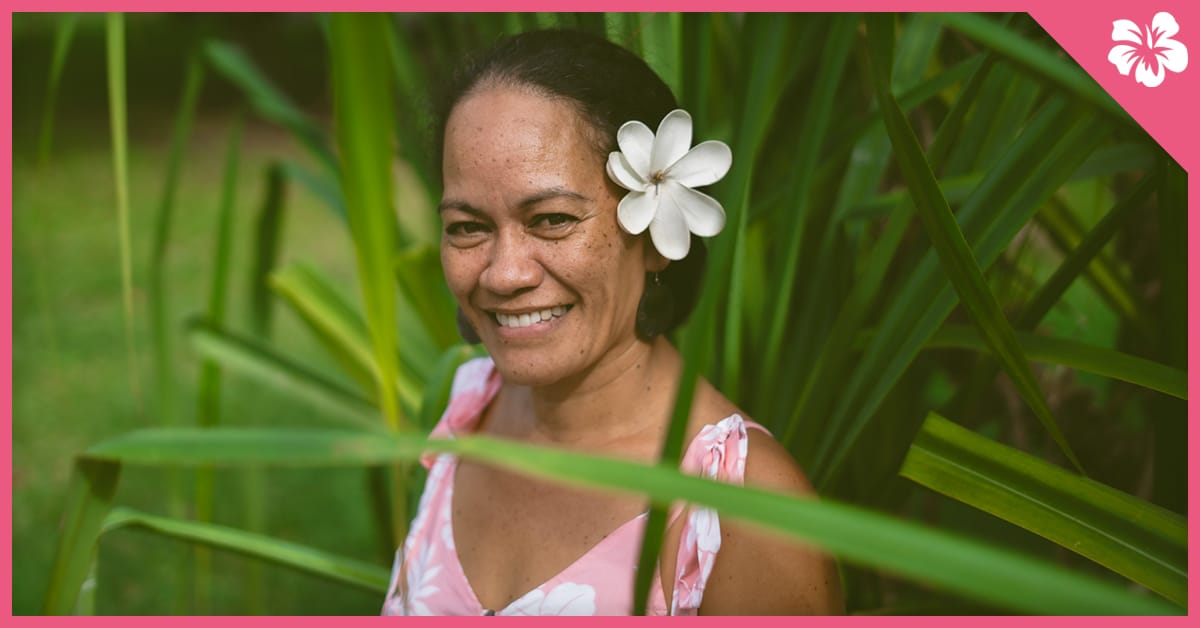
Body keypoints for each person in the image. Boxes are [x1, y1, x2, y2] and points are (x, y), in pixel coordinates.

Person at [382, 29, 842, 616]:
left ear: (656, 234)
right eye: (468, 227)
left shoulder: (744, 515)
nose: (503, 274)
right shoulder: (471, 410)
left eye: (551, 219)